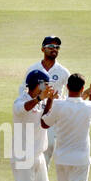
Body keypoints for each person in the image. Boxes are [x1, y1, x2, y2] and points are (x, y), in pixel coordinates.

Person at [23, 36, 69, 169]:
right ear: (43, 49)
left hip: (52, 116)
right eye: (51, 47)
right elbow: (24, 91)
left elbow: (68, 95)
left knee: (47, 149)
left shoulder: (63, 72)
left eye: (57, 47)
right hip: (34, 113)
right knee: (31, 151)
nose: (54, 49)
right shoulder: (33, 69)